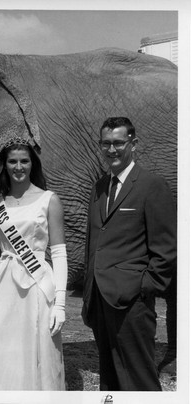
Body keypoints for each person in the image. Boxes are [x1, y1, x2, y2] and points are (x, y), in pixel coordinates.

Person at [82, 117, 177, 391]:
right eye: (106, 144)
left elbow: (165, 248)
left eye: (119, 143)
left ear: (133, 144)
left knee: (139, 381)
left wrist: (144, 287)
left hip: (132, 303)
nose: (112, 150)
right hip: (100, 300)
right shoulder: (99, 187)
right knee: (110, 381)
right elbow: (95, 242)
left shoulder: (152, 185)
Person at [0, 137, 67, 390]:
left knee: (34, 350)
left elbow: (58, 253)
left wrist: (60, 304)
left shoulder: (49, 200)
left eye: (24, 161)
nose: (18, 167)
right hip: (3, 286)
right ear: (4, 165)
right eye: (12, 161)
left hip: (37, 285)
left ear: (32, 164)